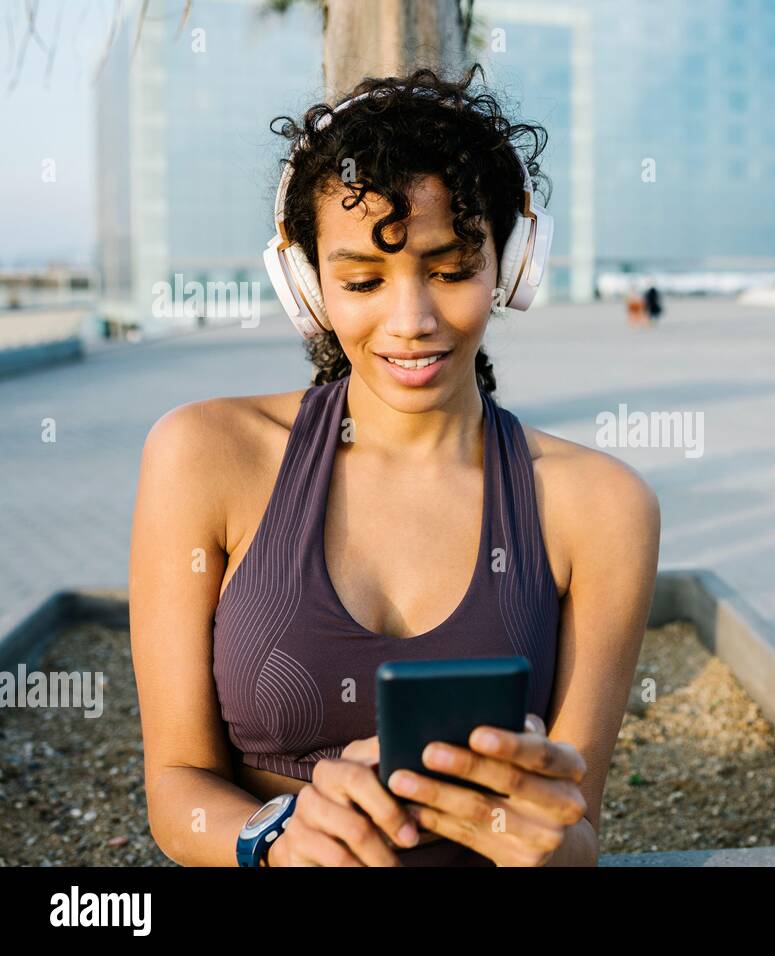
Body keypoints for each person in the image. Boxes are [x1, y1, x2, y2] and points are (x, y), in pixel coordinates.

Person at [128, 66, 661, 868]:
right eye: (363, 280)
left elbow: (579, 835)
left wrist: (550, 836)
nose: (410, 322)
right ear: (308, 287)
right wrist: (274, 834)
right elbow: (177, 787)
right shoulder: (205, 457)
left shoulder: (601, 505)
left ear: (511, 268)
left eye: (450, 271)